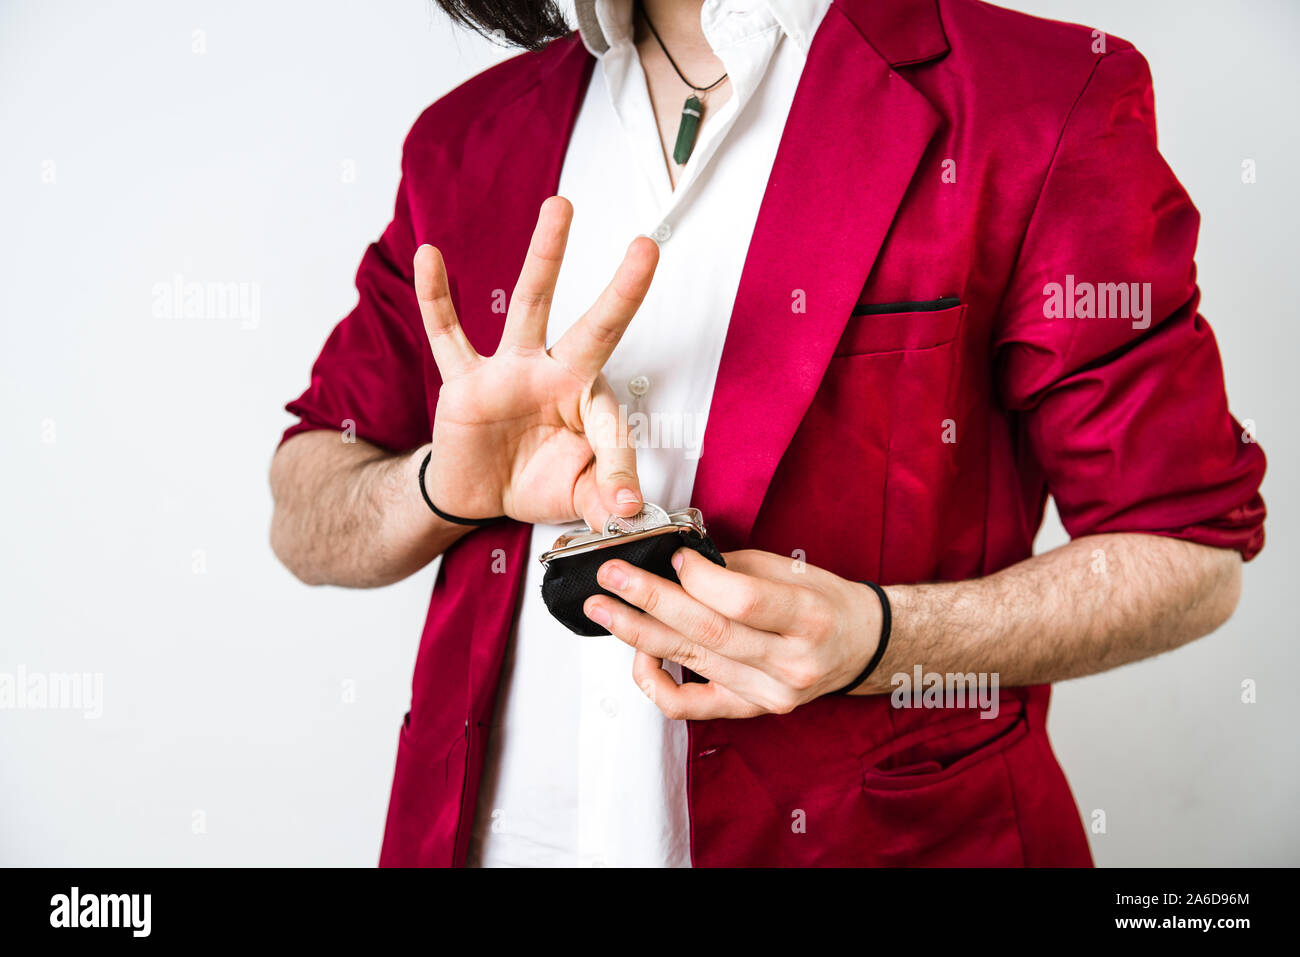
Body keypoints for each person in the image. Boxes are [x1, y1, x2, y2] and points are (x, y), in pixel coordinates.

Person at [270, 0, 1267, 866]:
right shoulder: (463, 139)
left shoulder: (1041, 98)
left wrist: (882, 640)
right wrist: (444, 485)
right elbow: (303, 513)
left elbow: (1187, 554)